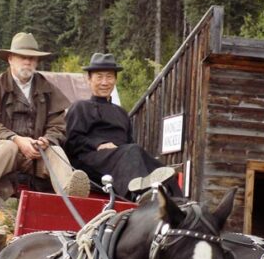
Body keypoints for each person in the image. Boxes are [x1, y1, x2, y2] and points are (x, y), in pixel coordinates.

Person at [0, 32, 90, 216]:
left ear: (37, 62)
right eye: (22, 57)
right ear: (10, 59)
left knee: (55, 150)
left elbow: (58, 125)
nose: (27, 62)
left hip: (36, 155)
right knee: (8, 146)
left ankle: (71, 194)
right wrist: (16, 139)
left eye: (32, 58)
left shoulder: (48, 89)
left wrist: (46, 140)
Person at [65, 53, 182, 200]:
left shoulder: (121, 113)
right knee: (132, 151)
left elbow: (129, 142)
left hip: (122, 158)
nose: (104, 82)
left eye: (109, 77)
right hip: (92, 161)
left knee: (160, 168)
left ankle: (179, 203)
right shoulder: (80, 107)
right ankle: (138, 195)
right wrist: (98, 144)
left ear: (115, 80)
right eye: (99, 77)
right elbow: (72, 142)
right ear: (89, 79)